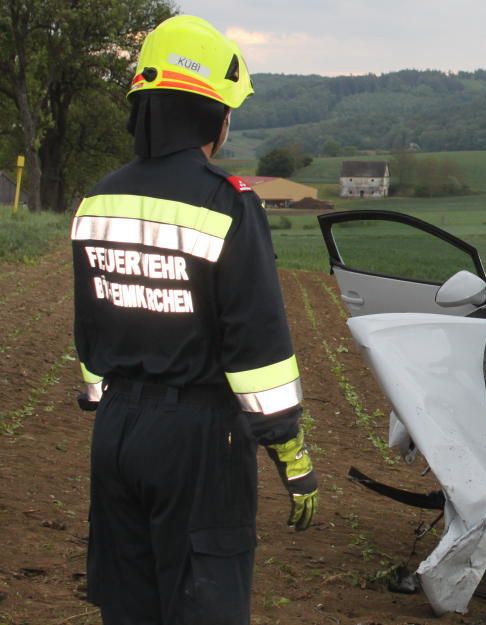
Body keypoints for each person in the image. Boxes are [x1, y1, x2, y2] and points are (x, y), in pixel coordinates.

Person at [71, 15, 318, 625]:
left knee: (129, 608)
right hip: (198, 438)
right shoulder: (227, 200)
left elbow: (90, 330)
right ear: (212, 114)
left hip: (117, 432)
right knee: (204, 603)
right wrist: (291, 453)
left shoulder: (98, 199)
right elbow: (257, 348)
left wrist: (113, 403)